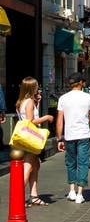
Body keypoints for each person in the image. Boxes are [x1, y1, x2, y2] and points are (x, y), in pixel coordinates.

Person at [56, 72, 90, 204]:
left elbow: (60, 120)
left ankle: (71, 190)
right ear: (81, 82)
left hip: (69, 135)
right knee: (83, 163)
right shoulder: (88, 98)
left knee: (71, 162)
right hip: (83, 134)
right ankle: (80, 193)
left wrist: (59, 138)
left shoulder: (63, 98)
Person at [15, 77, 54, 205]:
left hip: (25, 136)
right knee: (29, 165)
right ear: (32, 88)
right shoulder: (29, 102)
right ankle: (18, 197)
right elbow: (30, 121)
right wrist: (46, 118)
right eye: (36, 86)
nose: (38, 88)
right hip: (30, 138)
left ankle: (34, 195)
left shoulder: (21, 102)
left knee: (35, 165)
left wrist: (37, 103)